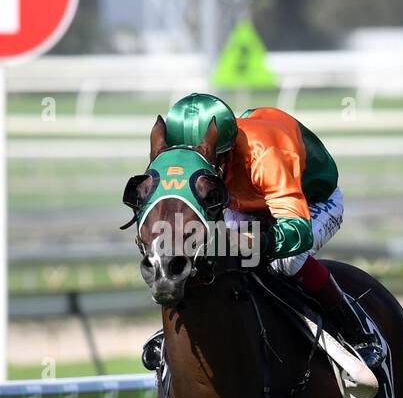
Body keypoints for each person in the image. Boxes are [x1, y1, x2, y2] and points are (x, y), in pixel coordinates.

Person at [141, 92, 382, 371]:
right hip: (247, 200)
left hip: (311, 201)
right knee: (200, 249)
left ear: (225, 152)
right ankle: (178, 333)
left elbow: (297, 232)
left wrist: (254, 242)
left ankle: (357, 331)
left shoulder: (266, 154)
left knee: (286, 261)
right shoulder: (193, 161)